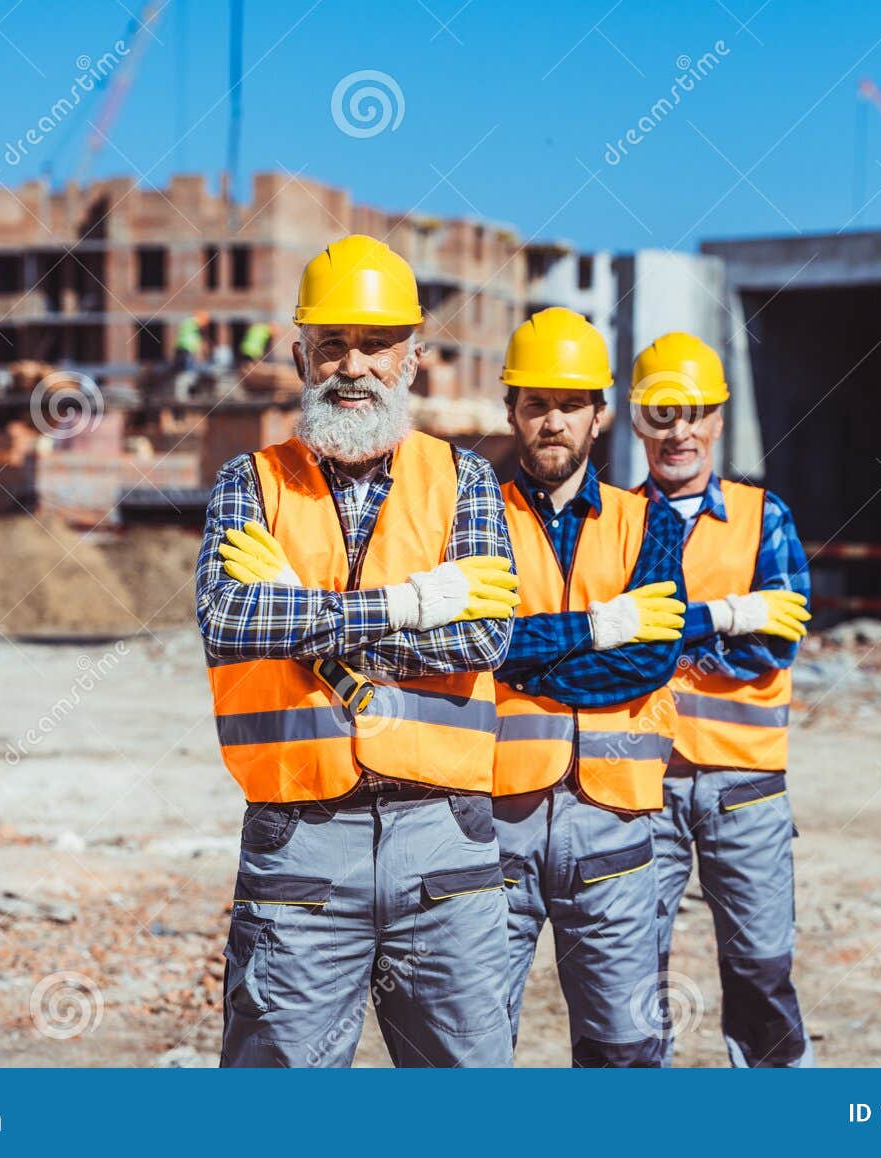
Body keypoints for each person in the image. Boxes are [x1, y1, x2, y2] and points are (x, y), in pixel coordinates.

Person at [196, 234, 521, 1068]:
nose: (354, 366)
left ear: (411, 357)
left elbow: (483, 634)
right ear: (302, 356)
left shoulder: (468, 479)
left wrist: (302, 615)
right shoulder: (249, 481)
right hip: (298, 843)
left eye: (376, 345)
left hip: (443, 842)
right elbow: (229, 618)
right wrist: (411, 603)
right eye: (333, 344)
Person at [492, 308, 686, 1067]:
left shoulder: (651, 524)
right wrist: (597, 627)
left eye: (570, 404)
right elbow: (478, 647)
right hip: (493, 819)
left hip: (613, 821)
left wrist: (528, 657)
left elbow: (648, 661)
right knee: (468, 1048)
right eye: (536, 403)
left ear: (600, 415)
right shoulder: (472, 515)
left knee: (623, 1049)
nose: (552, 421)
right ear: (511, 410)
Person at [630, 331, 814, 1068]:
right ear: (640, 422)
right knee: (632, 974)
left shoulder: (762, 517)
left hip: (745, 786)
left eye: (694, 414)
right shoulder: (616, 521)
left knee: (761, 970)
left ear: (717, 421)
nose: (679, 432)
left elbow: (777, 639)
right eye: (662, 415)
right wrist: (728, 616)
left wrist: (670, 639)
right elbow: (608, 646)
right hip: (643, 785)